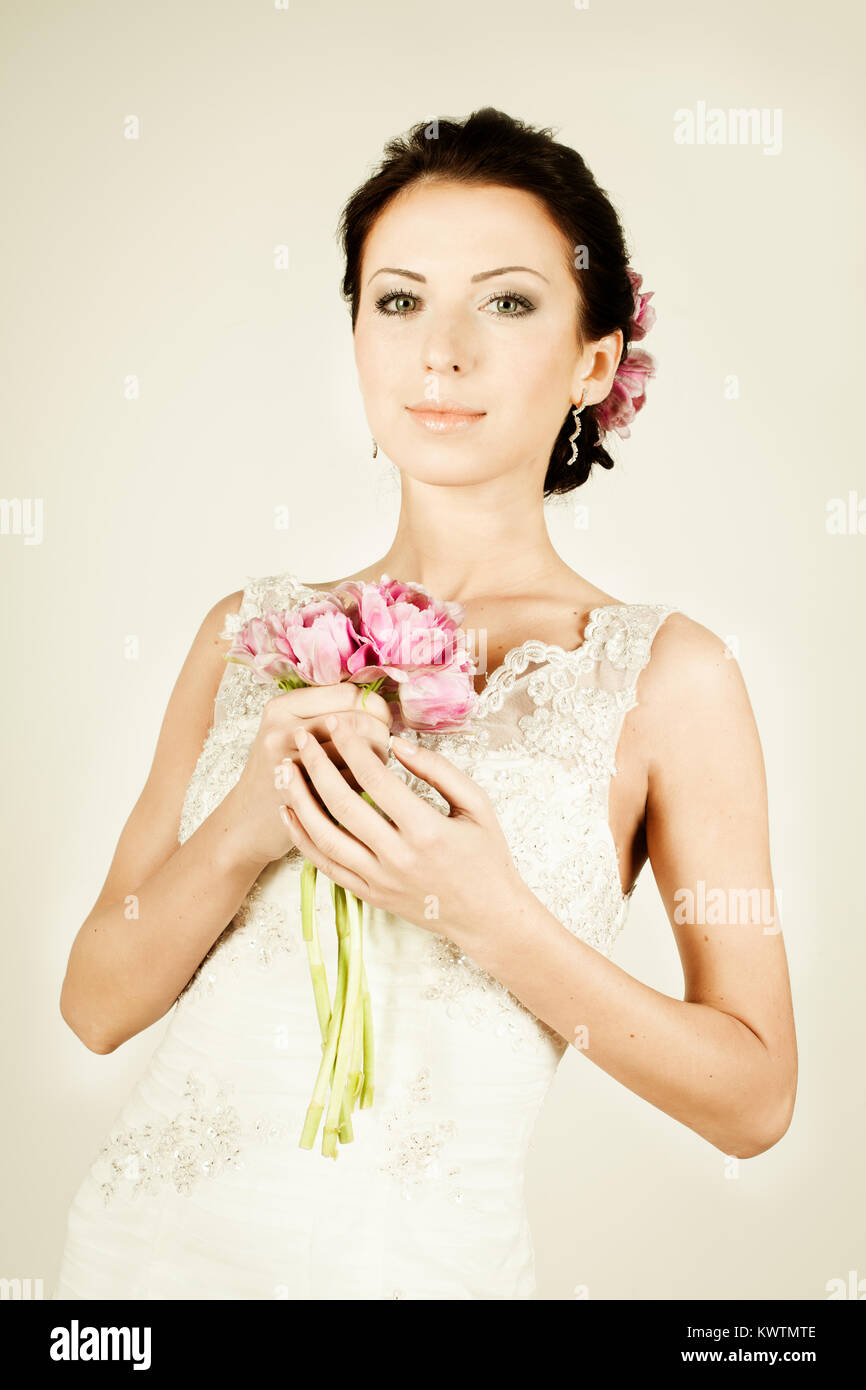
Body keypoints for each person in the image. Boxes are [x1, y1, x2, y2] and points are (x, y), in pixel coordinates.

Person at [54, 107, 797, 1300]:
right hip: (142, 1273)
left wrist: (483, 912)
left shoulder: (669, 676)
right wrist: (251, 815)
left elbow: (753, 1100)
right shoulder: (245, 633)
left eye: (505, 302)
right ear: (355, 334)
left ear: (592, 360)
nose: (439, 351)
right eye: (397, 301)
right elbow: (94, 1005)